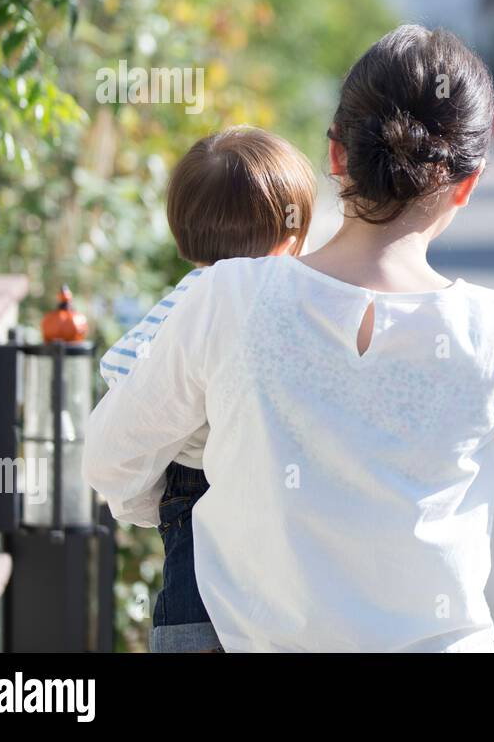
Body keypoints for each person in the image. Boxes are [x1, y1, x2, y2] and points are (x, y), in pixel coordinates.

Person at [84, 24, 494, 652]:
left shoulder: (227, 298)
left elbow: (111, 461)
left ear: (337, 156)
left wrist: (194, 516)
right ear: (467, 183)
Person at [99, 126, 316, 653]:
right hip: (293, 582)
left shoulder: (168, 316)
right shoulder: (301, 311)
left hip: (193, 558)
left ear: (181, 233)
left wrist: (148, 506)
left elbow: (124, 425)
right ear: (290, 241)